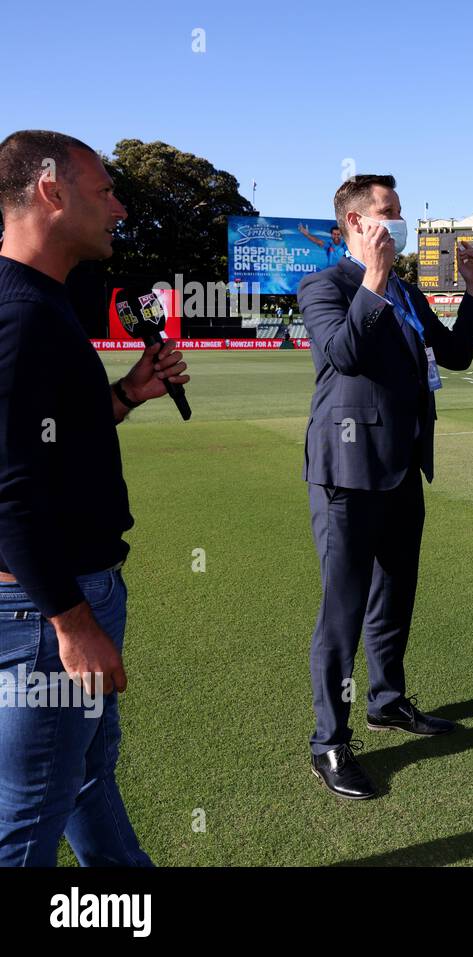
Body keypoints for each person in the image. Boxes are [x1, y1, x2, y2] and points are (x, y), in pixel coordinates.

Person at [0, 130, 190, 865]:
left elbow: (51, 440)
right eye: (105, 190)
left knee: (82, 779)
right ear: (52, 191)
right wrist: (71, 621)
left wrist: (127, 394)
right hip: (45, 614)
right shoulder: (17, 315)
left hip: (63, 600)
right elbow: (8, 490)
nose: (118, 206)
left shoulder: (43, 302)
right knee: (27, 822)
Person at [298, 174, 473, 800]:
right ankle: (329, 740)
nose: (400, 222)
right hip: (347, 475)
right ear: (355, 224)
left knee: (394, 596)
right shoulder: (324, 286)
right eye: (389, 212)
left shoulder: (407, 292)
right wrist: (376, 281)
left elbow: (455, 355)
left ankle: (387, 700)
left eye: (400, 211)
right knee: (343, 610)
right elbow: (345, 353)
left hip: (402, 468)